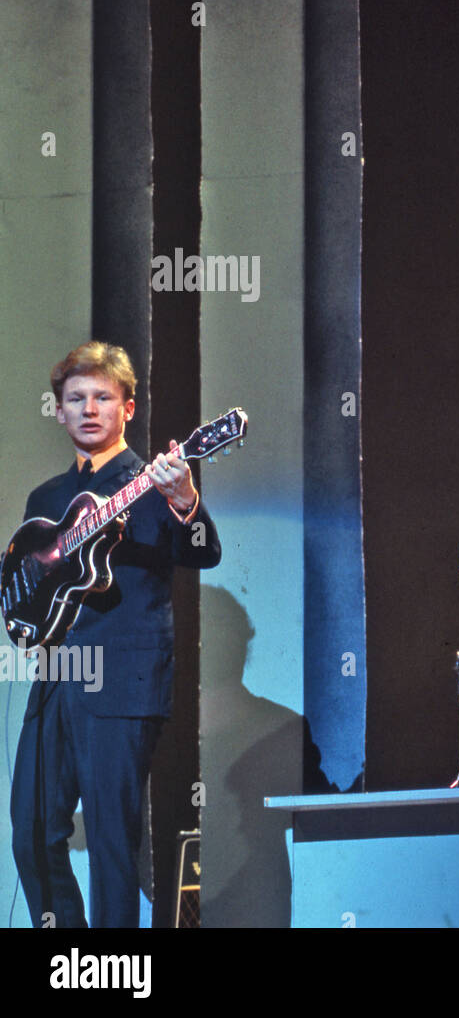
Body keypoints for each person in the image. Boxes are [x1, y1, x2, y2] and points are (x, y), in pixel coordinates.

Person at [10, 342, 222, 927]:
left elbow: (205, 553)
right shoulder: (46, 499)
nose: (89, 408)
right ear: (58, 410)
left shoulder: (153, 481)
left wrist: (185, 499)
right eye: (76, 398)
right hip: (56, 680)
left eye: (103, 397)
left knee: (110, 846)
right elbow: (27, 586)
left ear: (128, 408)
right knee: (31, 833)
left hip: (123, 683)